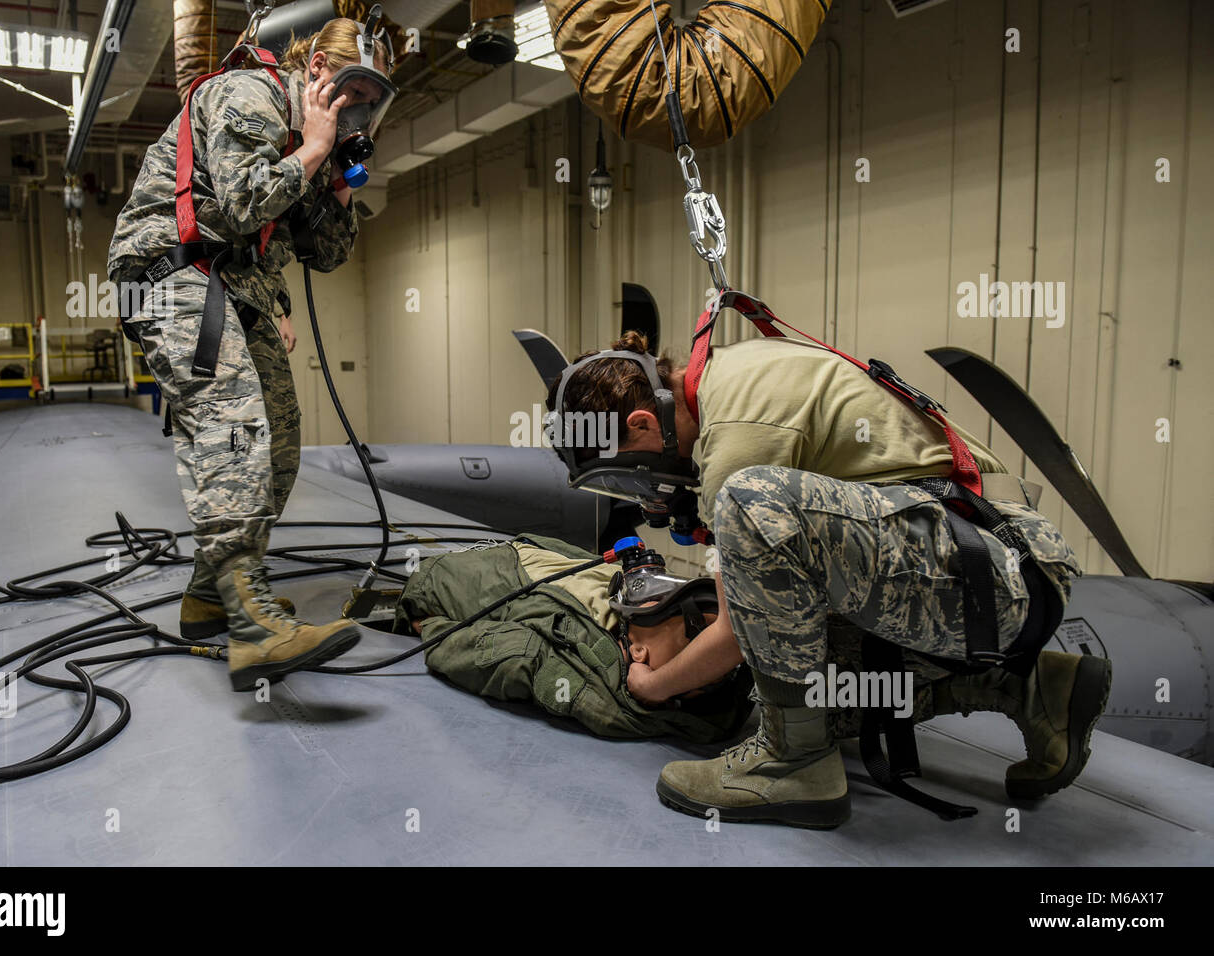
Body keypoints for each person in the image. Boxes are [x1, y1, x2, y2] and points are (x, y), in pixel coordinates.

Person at [547, 329, 1111, 828]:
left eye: (627, 469)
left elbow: (737, 635)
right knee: (814, 692)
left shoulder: (735, 436)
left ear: (643, 422)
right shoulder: (727, 377)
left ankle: (794, 764)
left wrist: (653, 685)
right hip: (991, 567)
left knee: (748, 506)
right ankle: (1033, 688)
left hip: (996, 568)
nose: (641, 491)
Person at [108, 17, 396, 691]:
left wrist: (339, 187)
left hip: (230, 283)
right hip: (167, 270)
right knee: (233, 427)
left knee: (282, 438)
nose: (360, 111)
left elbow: (325, 254)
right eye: (354, 92)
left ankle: (211, 598)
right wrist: (316, 149)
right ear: (318, 72)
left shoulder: (308, 141)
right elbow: (241, 205)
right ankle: (254, 628)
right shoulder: (250, 95)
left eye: (374, 103)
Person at [395, 535, 756, 742]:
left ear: (640, 654)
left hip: (452, 580)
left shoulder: (578, 675)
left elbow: (487, 652)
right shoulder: (628, 608)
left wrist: (430, 626)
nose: (665, 597)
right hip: (532, 552)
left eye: (689, 625)